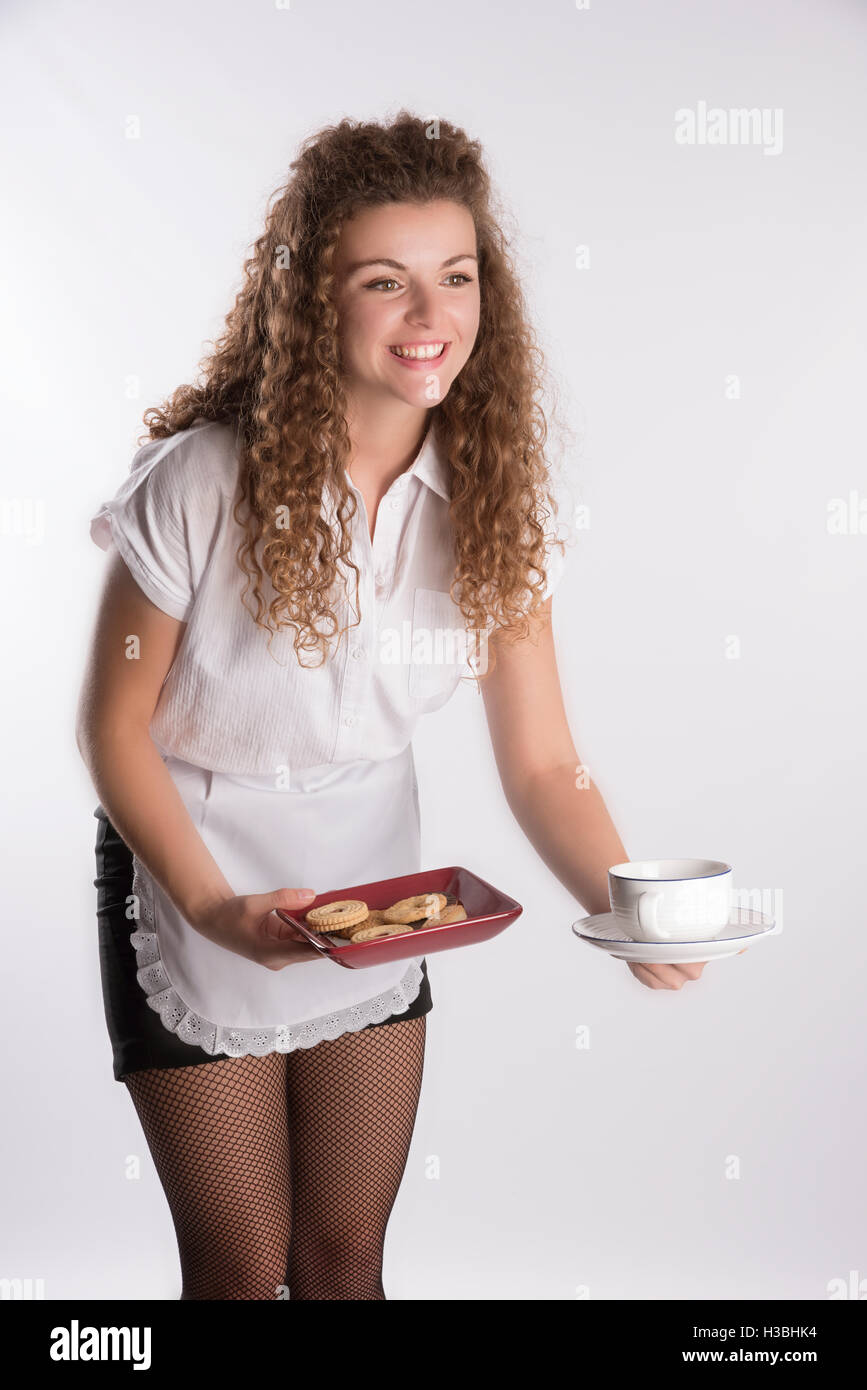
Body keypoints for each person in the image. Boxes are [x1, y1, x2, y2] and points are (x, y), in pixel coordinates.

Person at [76, 110, 708, 1303]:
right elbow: (110, 729)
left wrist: (630, 910)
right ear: (316, 297)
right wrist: (214, 908)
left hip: (374, 883)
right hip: (192, 864)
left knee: (345, 1261)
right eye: (386, 282)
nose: (433, 319)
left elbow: (543, 764)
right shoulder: (203, 479)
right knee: (238, 1265)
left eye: (456, 277)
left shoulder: (496, 492)